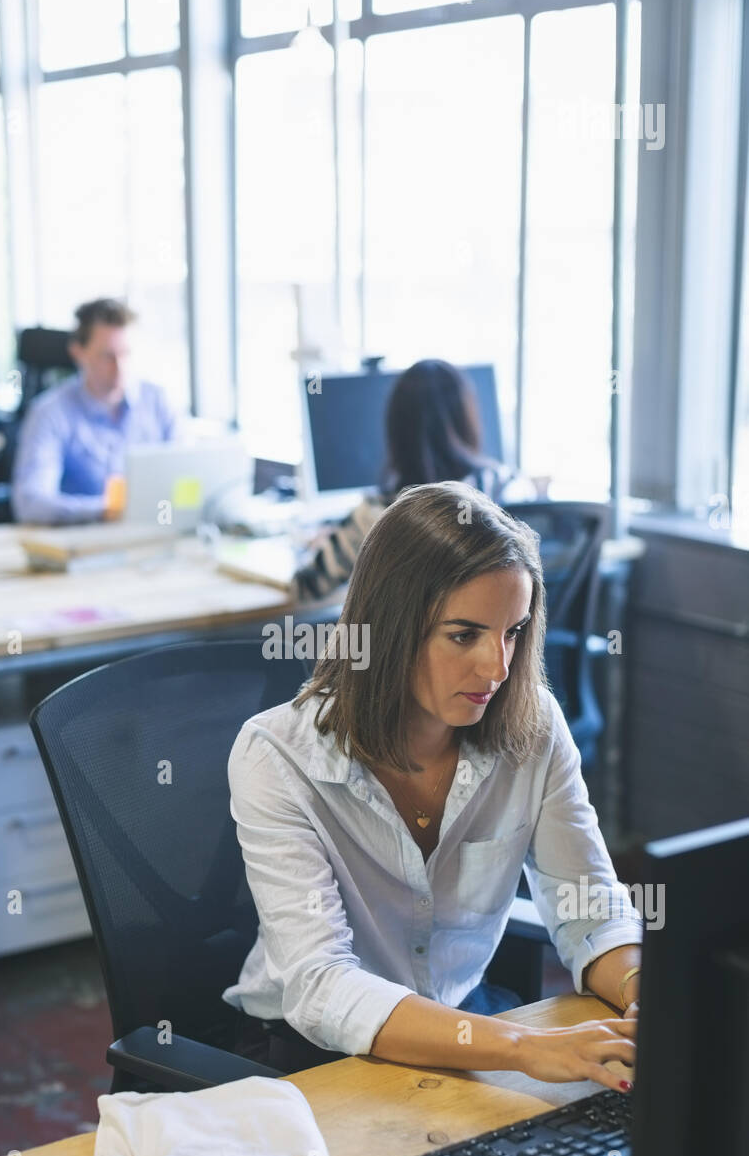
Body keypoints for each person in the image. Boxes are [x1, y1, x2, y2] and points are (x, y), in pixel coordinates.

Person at [225, 481, 642, 1081]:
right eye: (464, 635)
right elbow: (322, 987)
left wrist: (637, 989)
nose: (497, 667)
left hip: (461, 1024)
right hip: (309, 1052)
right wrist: (526, 1047)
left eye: (513, 632)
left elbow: (591, 910)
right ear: (391, 628)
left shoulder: (534, 727)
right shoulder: (276, 758)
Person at [291, 358, 515, 602]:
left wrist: (322, 545)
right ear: (467, 417)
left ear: (396, 430)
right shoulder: (506, 488)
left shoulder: (376, 516)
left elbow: (306, 586)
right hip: (503, 637)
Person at [11, 298, 175, 525]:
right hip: (85, 541)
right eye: (108, 356)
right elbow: (31, 503)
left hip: (153, 532)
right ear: (78, 352)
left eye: (126, 353)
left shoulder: (158, 401)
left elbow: (186, 474)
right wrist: (107, 510)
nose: (120, 367)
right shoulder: (49, 413)